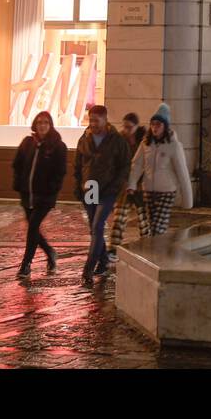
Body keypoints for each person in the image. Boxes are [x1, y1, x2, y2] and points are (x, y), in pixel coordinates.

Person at [73, 105, 131, 288]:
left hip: (107, 190)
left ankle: (88, 269)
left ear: (105, 120)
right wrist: (77, 185)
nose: (93, 124)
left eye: (96, 121)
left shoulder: (116, 140)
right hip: (90, 188)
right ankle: (104, 261)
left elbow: (124, 166)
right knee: (94, 228)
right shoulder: (85, 138)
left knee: (98, 225)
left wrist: (115, 186)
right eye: (91, 120)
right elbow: (77, 164)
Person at [12, 111, 68, 278]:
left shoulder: (58, 146)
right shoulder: (28, 142)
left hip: (45, 196)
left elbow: (60, 171)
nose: (42, 125)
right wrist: (19, 183)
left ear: (50, 125)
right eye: (39, 122)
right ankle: (50, 252)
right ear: (35, 124)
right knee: (33, 228)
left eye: (45, 122)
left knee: (33, 227)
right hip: (27, 194)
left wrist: (52, 188)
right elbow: (17, 164)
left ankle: (26, 264)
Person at [126, 104, 194, 237]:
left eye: (158, 124)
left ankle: (158, 253)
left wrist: (187, 200)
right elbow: (137, 165)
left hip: (166, 191)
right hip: (149, 191)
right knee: (151, 226)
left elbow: (182, 173)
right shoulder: (145, 143)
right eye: (152, 124)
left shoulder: (174, 146)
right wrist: (132, 184)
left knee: (158, 227)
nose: (154, 127)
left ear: (165, 126)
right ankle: (155, 253)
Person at [107, 112, 143, 261]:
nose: (126, 130)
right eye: (125, 127)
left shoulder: (144, 141)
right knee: (119, 217)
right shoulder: (120, 141)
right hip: (124, 185)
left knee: (144, 219)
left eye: (130, 127)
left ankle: (147, 248)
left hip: (140, 186)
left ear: (136, 127)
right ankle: (113, 248)